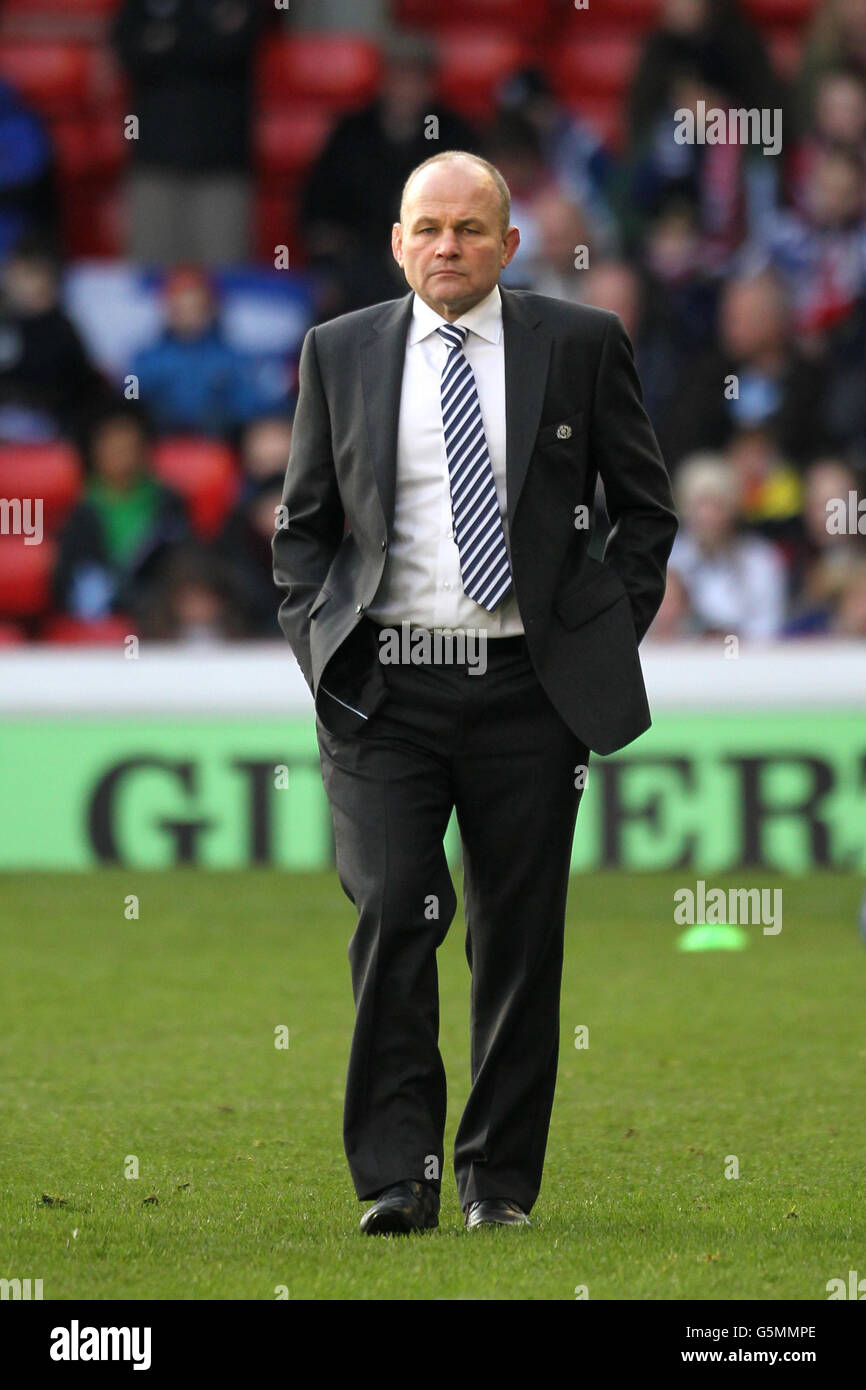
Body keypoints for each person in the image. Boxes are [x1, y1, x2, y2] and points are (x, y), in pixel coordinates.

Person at [273, 151, 677, 1235]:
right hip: (382, 691)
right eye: (425, 228)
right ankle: (394, 1175)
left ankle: (497, 1183)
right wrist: (325, 656)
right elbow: (301, 533)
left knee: (516, 936)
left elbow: (644, 511)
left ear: (508, 242)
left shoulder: (581, 344)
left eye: (467, 228)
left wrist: (593, 641)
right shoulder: (337, 349)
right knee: (396, 909)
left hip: (523, 690)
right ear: (398, 240)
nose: (444, 247)